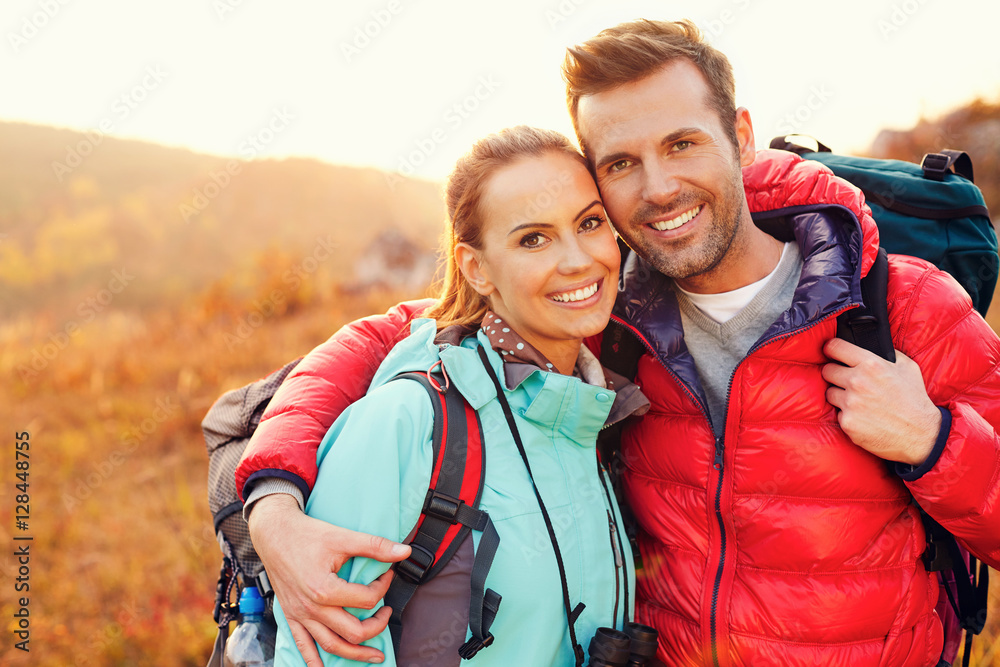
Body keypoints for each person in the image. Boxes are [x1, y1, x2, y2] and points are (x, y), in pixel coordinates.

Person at [240, 19, 1000, 667]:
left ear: (740, 134)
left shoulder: (901, 303)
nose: (659, 188)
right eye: (621, 164)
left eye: (682, 143)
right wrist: (273, 509)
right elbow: (387, 339)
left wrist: (933, 442)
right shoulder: (606, 303)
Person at [269, 125, 648, 666]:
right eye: (533, 239)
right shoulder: (408, 421)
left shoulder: (589, 407)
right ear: (476, 268)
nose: (578, 261)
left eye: (589, 223)